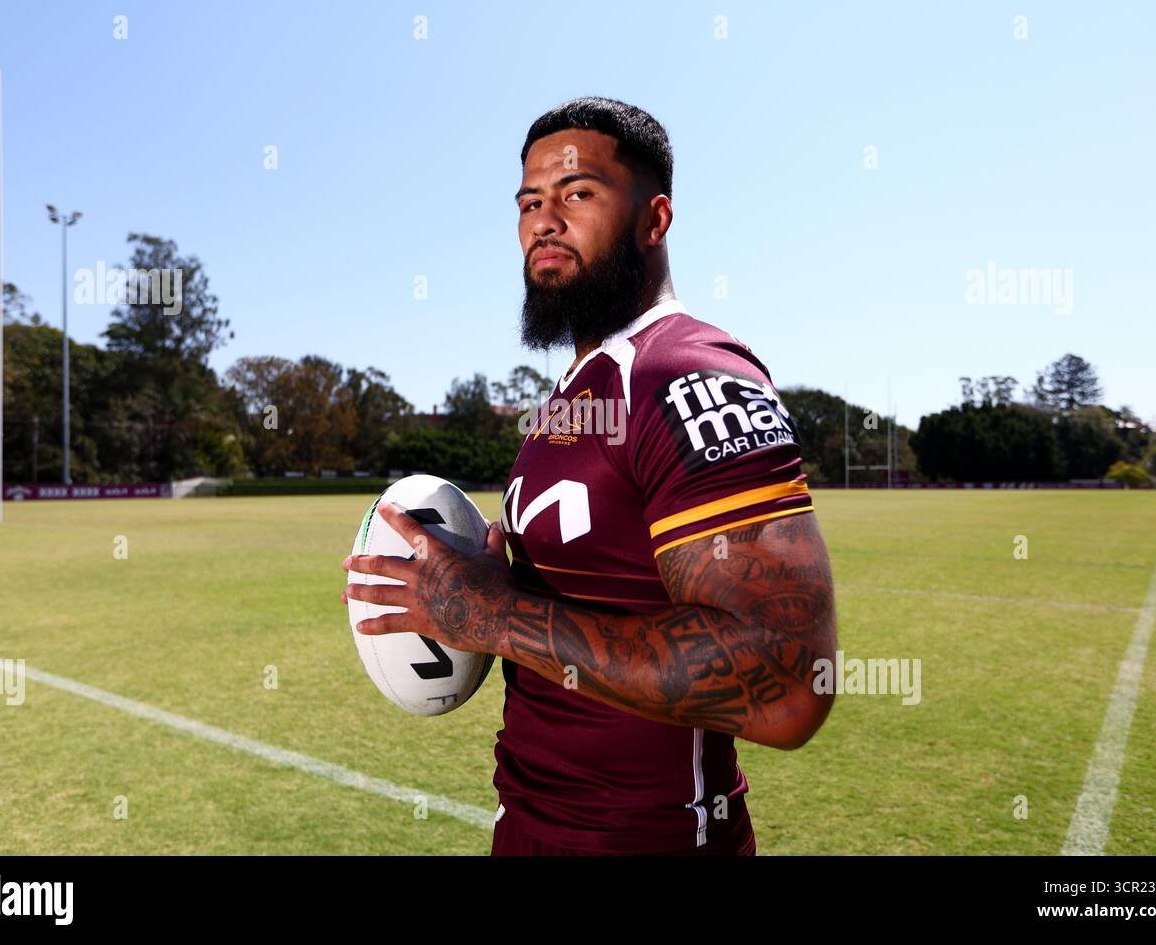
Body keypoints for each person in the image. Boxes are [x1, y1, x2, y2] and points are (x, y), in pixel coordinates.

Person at [343, 97, 837, 856]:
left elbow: (788, 682)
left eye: (577, 194)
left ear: (655, 219)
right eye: (529, 202)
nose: (545, 220)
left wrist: (495, 617)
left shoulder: (689, 374)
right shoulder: (567, 402)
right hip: (531, 830)